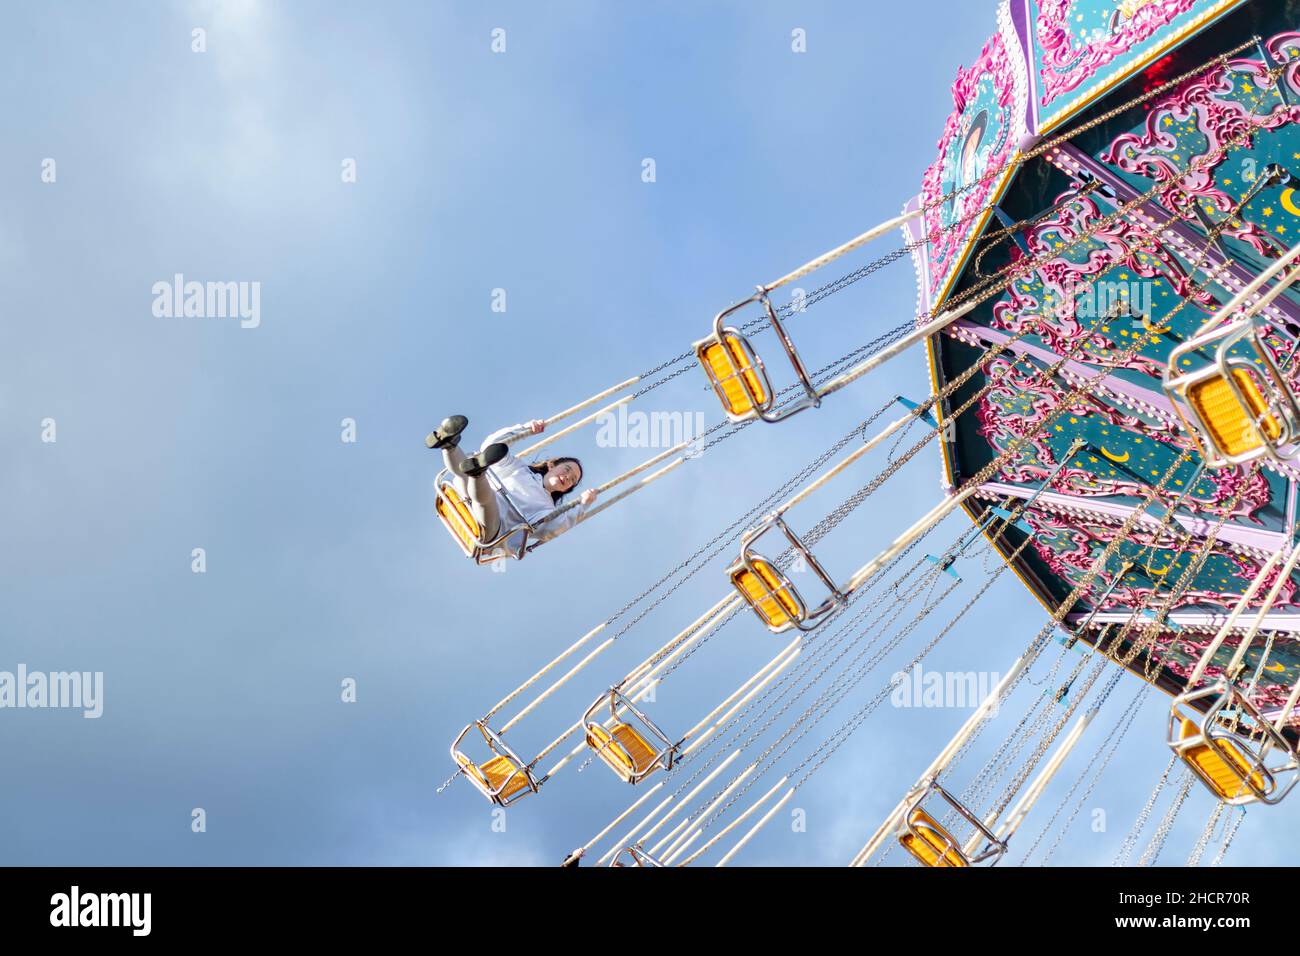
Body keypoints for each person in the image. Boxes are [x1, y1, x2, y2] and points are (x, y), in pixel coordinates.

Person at [427, 415, 598, 555]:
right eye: (567, 470)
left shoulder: (547, 509)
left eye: (573, 480)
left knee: (486, 499)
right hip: (463, 497)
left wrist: (583, 505)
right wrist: (526, 430)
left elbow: (556, 528)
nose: (567, 477)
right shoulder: (519, 469)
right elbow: (492, 445)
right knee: (467, 475)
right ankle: (447, 443)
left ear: (567, 489)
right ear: (552, 465)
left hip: (492, 528)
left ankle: (476, 473)